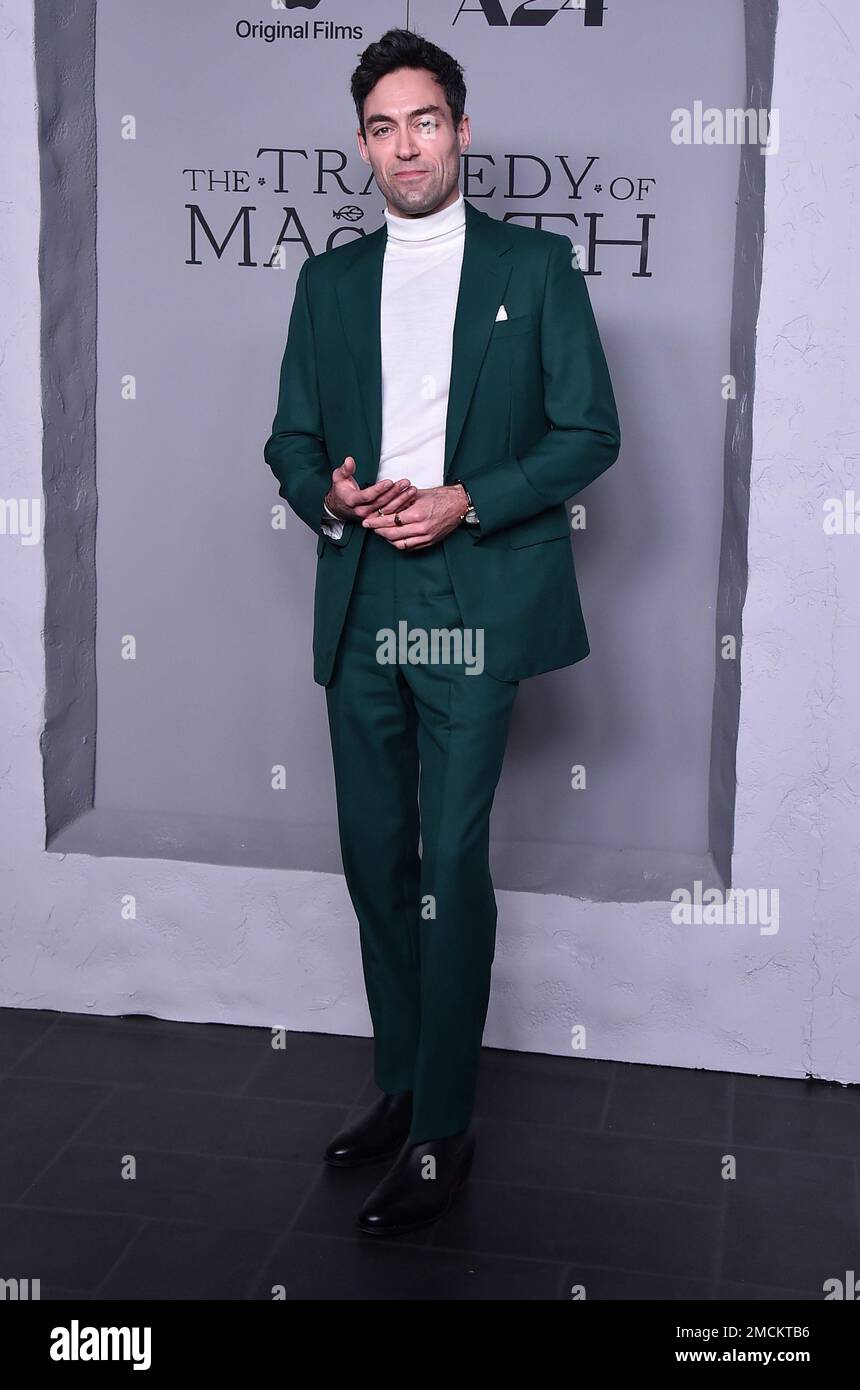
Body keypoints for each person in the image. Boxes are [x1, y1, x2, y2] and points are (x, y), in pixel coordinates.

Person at [263, 26, 620, 1236]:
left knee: (449, 863)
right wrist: (332, 492)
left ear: (460, 131)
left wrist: (469, 496)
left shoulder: (538, 265)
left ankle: (443, 1129)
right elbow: (290, 442)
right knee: (377, 859)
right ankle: (405, 1079)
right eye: (380, 126)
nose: (403, 144)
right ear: (362, 144)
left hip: (469, 595)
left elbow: (587, 434)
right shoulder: (327, 283)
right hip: (361, 591)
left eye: (424, 120)